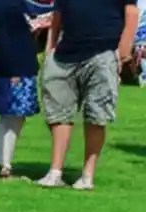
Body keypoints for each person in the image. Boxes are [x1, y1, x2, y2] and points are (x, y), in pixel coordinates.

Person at [37, 0, 140, 190]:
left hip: (103, 53)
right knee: (58, 114)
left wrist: (123, 53)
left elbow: (132, 13)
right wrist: (49, 49)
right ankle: (55, 172)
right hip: (64, 54)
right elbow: (57, 15)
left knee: (96, 115)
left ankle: (87, 176)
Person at [0, 0, 40, 179]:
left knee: (10, 117)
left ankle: (4, 162)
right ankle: (5, 165)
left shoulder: (0, 5)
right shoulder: (6, 5)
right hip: (15, 67)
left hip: (9, 66)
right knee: (14, 117)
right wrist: (11, 69)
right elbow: (2, 37)